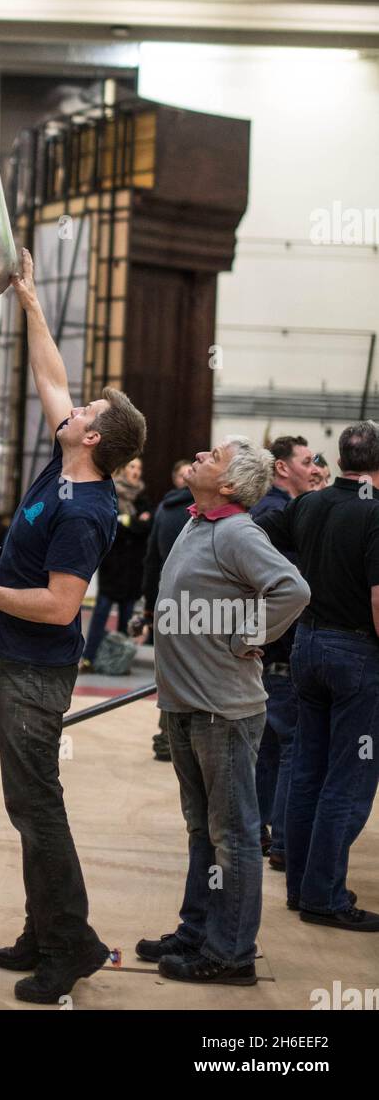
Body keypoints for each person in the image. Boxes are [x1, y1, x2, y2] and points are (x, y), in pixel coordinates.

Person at [0, 248, 146, 1004]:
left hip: (37, 671)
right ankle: (41, 927)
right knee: (27, 804)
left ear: (92, 439)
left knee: (37, 805)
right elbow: (51, 376)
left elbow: (63, 608)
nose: (73, 409)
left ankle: (72, 945)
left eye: (86, 412)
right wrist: (29, 302)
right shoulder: (67, 465)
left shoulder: (85, 510)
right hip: (17, 660)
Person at [138, 437, 310, 984]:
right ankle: (197, 931)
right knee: (202, 830)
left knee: (233, 837)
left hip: (223, 711)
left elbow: (293, 589)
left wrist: (246, 636)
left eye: (213, 457)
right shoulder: (197, 521)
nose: (200, 457)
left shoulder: (237, 531)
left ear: (231, 486)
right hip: (187, 704)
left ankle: (231, 954)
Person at [256, 421, 379, 931]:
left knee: (307, 769)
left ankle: (302, 886)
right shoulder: (374, 513)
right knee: (347, 780)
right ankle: (324, 896)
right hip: (355, 652)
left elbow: (262, 546)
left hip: (307, 645)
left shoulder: (307, 504)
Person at [250, 436, 318, 868]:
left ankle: (258, 829)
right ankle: (285, 843)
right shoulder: (278, 515)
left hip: (266, 650)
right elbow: (289, 586)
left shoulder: (273, 511)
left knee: (269, 745)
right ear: (281, 467)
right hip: (280, 649)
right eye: (308, 461)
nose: (314, 469)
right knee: (291, 744)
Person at [136, 458, 194, 760]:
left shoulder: (163, 508)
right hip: (199, 606)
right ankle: (181, 741)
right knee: (194, 674)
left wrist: (148, 608)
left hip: (165, 601)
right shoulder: (202, 512)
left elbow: (151, 561)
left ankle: (165, 738)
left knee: (169, 673)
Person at [80, 457, 152, 670]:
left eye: (139, 467)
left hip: (132, 569)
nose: (136, 471)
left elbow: (147, 527)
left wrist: (127, 521)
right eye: (132, 466)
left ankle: (120, 661)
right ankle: (89, 659)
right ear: (123, 469)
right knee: (100, 614)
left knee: (126, 617)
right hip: (112, 566)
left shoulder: (142, 499)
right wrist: (134, 522)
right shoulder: (112, 494)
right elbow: (110, 526)